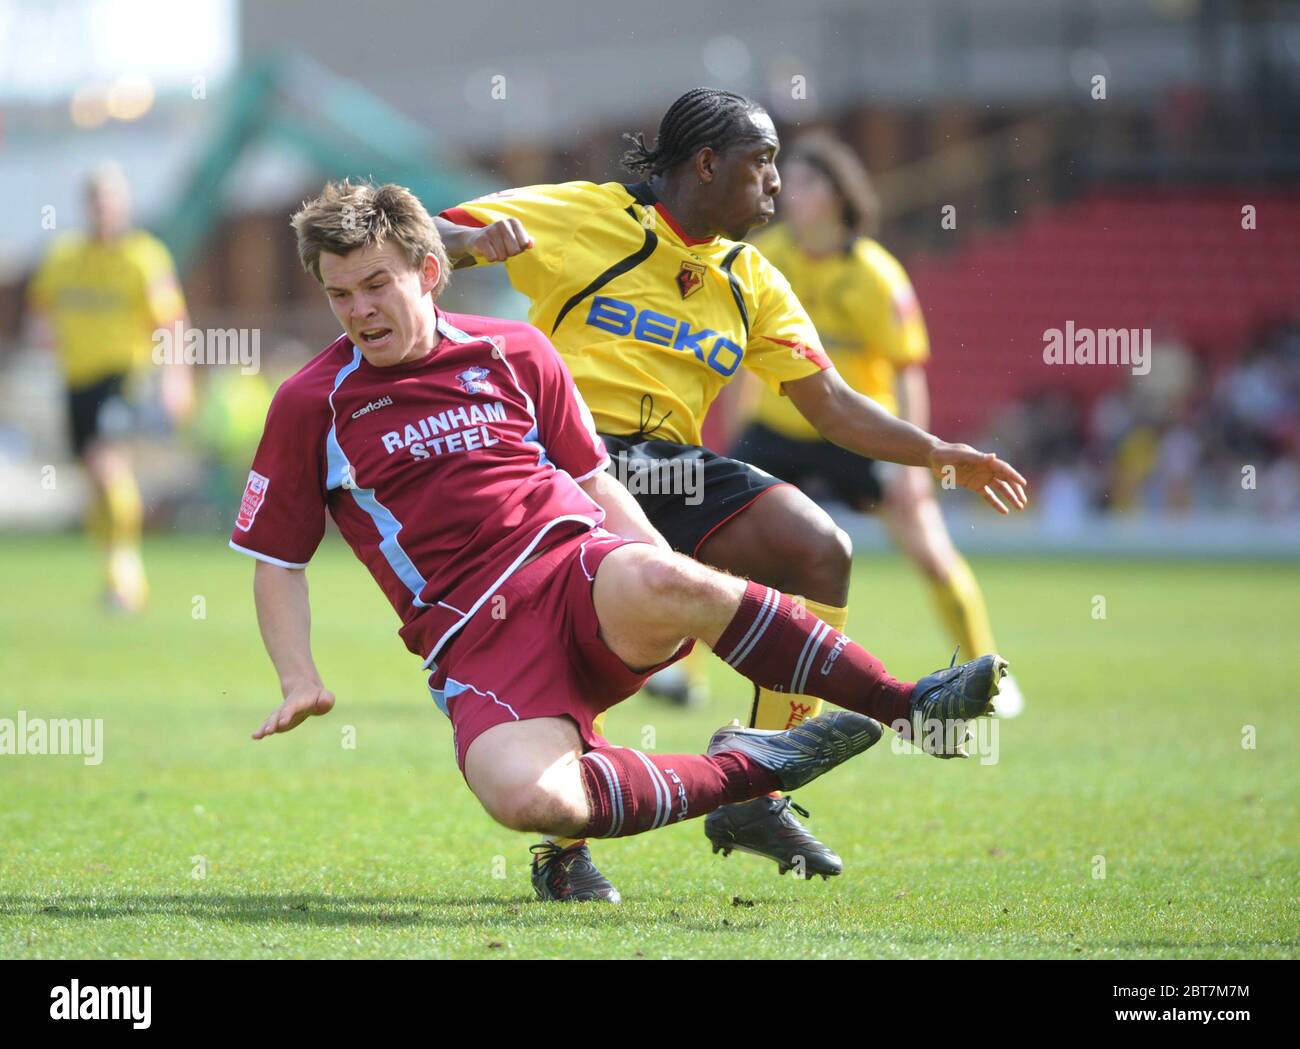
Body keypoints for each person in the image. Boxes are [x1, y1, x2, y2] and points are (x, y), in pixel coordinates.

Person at [233, 180, 1014, 901]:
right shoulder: (313, 402)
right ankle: (746, 771)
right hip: (476, 642)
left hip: (575, 573)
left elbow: (597, 482)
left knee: (683, 580)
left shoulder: (518, 352)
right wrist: (297, 676)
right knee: (529, 798)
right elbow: (279, 557)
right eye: (339, 295)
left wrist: (656, 560)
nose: (360, 311)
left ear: (430, 272)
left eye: (377, 286)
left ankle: (907, 702)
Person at [434, 88, 1028, 899]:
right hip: (565, 462)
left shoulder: (751, 276)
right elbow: (419, 241)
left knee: (818, 548)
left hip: (671, 466)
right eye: (764, 162)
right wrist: (464, 245)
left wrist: (937, 453)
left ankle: (759, 790)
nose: (777, 184)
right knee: (598, 651)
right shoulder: (585, 218)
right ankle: (563, 849)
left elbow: (831, 404)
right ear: (707, 164)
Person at [735, 132, 1026, 717]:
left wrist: (919, 465)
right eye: (789, 180)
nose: (792, 193)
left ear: (840, 195)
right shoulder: (765, 256)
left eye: (809, 182)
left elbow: (907, 371)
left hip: (854, 428)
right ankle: (678, 680)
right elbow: (748, 351)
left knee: (927, 547)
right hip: (777, 425)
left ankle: (989, 669)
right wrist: (741, 426)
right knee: (708, 544)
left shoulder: (876, 274)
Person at [27, 162, 192, 612]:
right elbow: (40, 310)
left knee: (107, 463)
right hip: (75, 380)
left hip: (124, 377)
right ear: (88, 206)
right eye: (98, 201)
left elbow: (172, 323)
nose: (106, 209)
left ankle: (127, 569)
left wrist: (176, 379)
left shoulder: (144, 257)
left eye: (113, 200)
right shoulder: (62, 257)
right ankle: (114, 574)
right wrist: (43, 334)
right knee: (92, 479)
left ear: (125, 204)